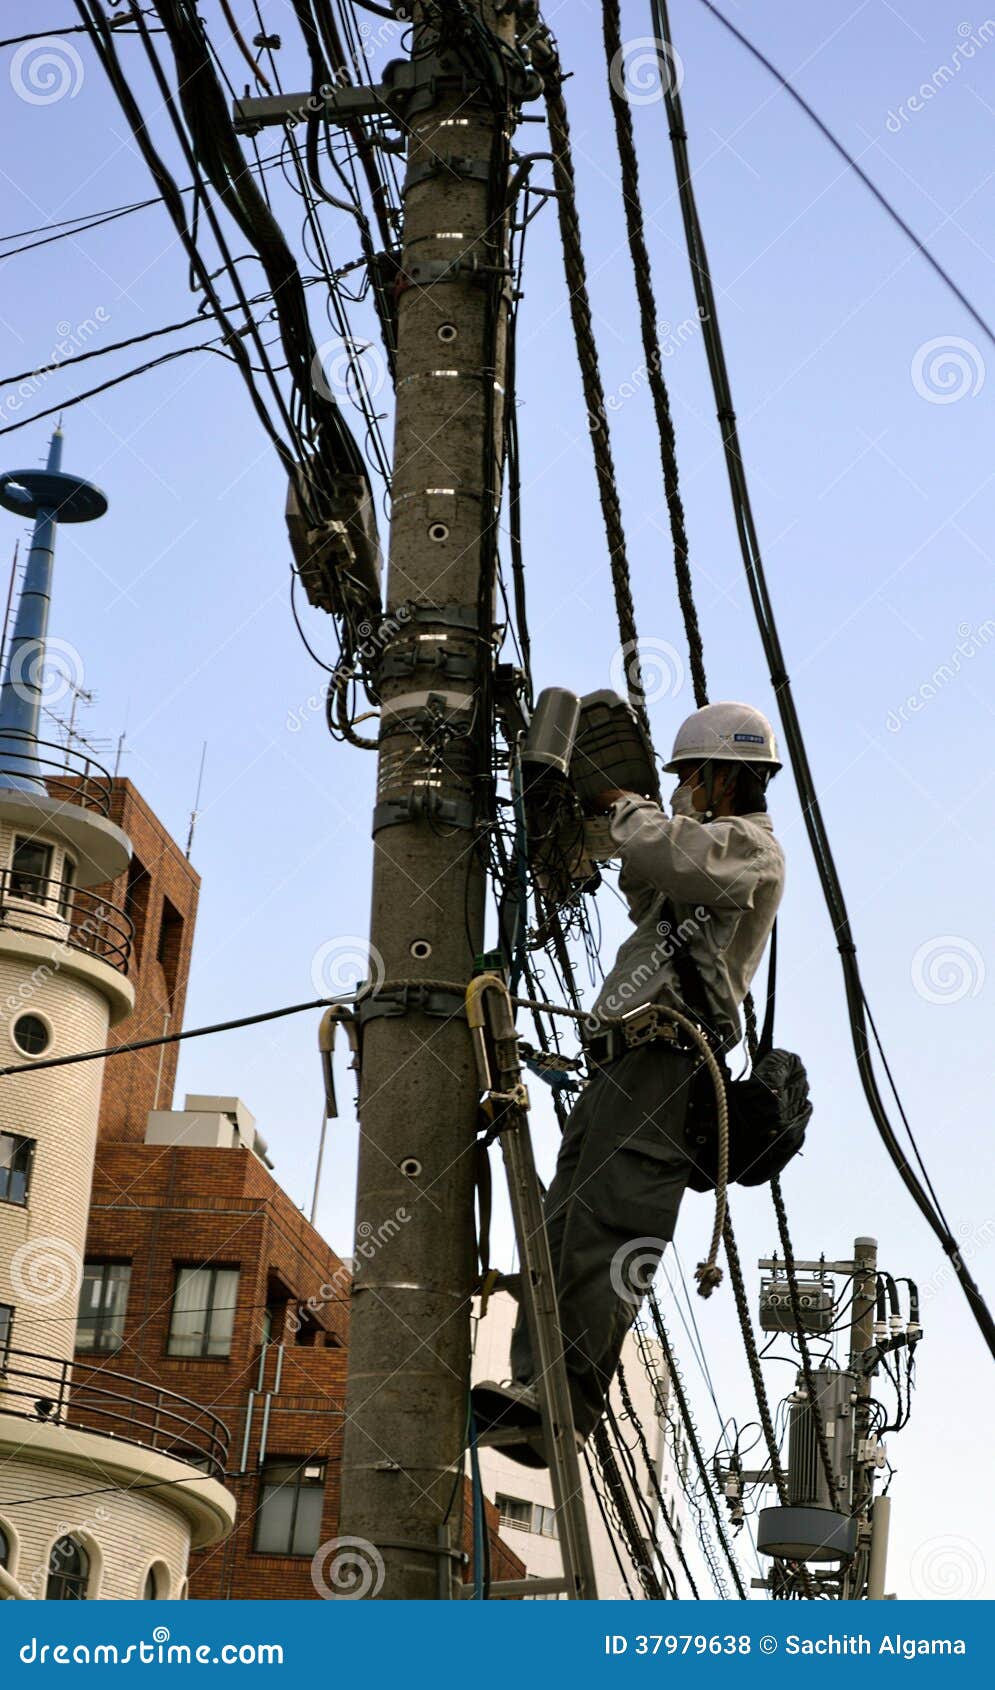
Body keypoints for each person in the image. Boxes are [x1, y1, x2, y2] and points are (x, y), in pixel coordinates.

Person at [472, 702, 786, 1464]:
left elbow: (672, 858)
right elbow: (650, 878)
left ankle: (564, 1403)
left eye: (689, 777)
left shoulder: (749, 848)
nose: (682, 790)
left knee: (607, 1228)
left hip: (663, 1063)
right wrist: (601, 820)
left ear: (721, 777)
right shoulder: (695, 845)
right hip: (621, 1063)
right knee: (562, 1228)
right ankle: (535, 1386)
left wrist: (623, 804)